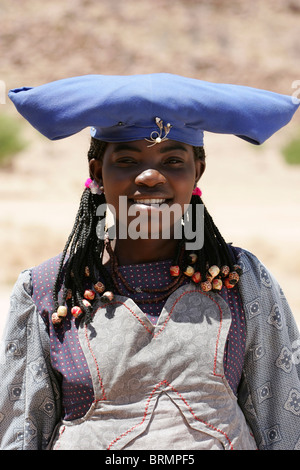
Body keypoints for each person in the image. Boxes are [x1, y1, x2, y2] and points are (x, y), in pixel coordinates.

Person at [1, 73, 300, 450]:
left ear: (197, 173)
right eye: (126, 160)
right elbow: (21, 430)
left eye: (173, 159)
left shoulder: (239, 280)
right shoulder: (49, 288)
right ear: (97, 172)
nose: (149, 176)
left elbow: (284, 422)